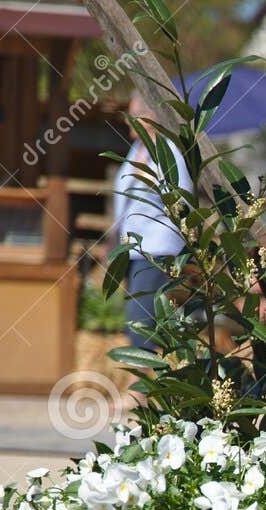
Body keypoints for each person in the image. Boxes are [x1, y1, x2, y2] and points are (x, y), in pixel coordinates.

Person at [111, 92, 192, 352]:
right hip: (133, 249)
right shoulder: (138, 150)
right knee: (140, 320)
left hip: (157, 249)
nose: (127, 121)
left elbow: (184, 201)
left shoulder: (168, 153)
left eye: (134, 115)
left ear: (151, 116)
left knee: (139, 323)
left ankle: (144, 391)